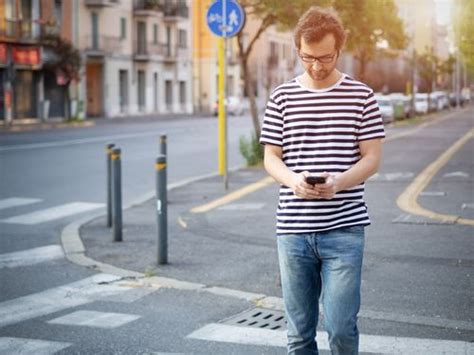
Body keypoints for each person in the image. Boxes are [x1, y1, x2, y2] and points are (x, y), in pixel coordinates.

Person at [259, 6, 385, 355]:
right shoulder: (281, 97)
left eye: (325, 58)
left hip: (344, 230)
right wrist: (294, 180)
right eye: (307, 57)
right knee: (298, 336)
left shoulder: (361, 96)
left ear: (339, 50)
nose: (316, 66)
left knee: (342, 329)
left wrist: (339, 183)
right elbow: (271, 158)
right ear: (298, 50)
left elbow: (372, 158)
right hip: (293, 231)